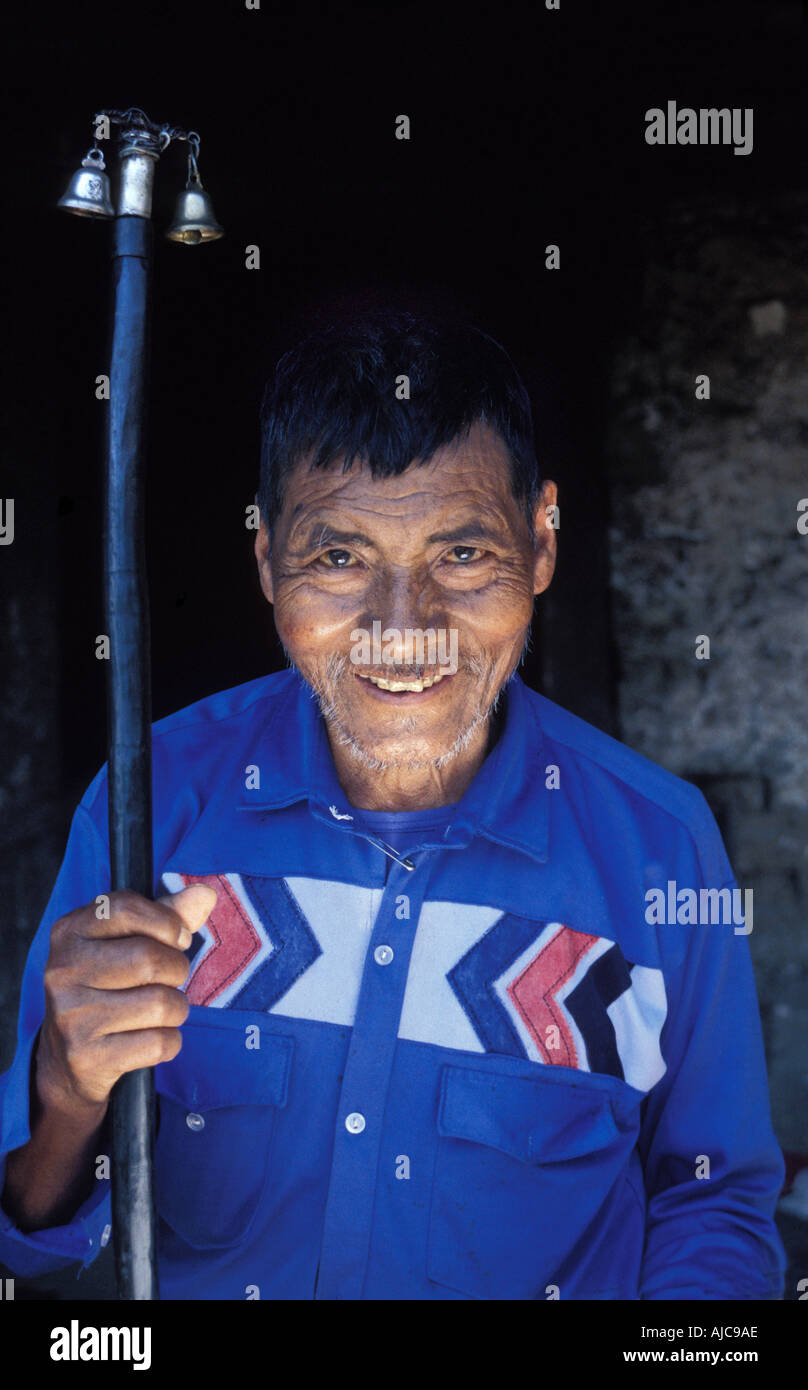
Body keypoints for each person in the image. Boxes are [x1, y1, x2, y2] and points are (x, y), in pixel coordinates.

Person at [0, 310, 786, 1300]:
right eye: (339, 558)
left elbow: (707, 1200)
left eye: (461, 556)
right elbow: (28, 1231)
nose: (401, 629)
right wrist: (65, 1094)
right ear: (264, 560)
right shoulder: (150, 804)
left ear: (541, 542)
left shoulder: (659, 846)